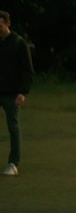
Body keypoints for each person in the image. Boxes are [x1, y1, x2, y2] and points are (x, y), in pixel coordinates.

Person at [0, 10, 34, 176]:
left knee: (13, 127)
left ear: (7, 23)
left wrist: (23, 92)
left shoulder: (19, 43)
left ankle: (13, 163)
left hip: (11, 93)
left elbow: (27, 70)